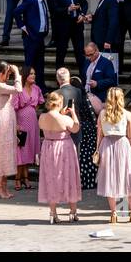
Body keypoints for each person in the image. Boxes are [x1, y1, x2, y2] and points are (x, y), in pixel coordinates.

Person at [95, 86, 131, 223]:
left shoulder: (102, 114)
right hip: (123, 145)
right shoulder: (127, 114)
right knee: (127, 179)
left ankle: (114, 213)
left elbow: (100, 135)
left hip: (106, 145)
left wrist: (97, 150)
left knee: (110, 180)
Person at [38, 90, 82, 223]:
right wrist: (73, 113)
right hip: (64, 148)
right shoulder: (65, 119)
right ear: (60, 103)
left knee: (50, 179)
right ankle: (72, 212)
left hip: (48, 147)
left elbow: (49, 123)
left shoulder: (42, 117)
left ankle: (53, 213)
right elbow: (75, 128)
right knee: (69, 177)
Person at [0, 60, 23, 200]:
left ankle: (3, 185)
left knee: (8, 153)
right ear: (0, 73)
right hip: (2, 123)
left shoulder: (2, 85)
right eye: (7, 73)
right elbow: (18, 89)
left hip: (8, 120)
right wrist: (17, 73)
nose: (8, 75)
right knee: (2, 153)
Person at [14, 0, 52, 94]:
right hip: (30, 36)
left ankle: (41, 88)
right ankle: (25, 89)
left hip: (40, 36)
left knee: (40, 64)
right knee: (29, 64)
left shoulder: (43, 0)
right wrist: (22, 26)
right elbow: (16, 11)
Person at [50, 0, 88, 71]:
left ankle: (84, 76)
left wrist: (82, 14)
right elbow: (54, 10)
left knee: (80, 52)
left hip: (77, 23)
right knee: (61, 53)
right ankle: (60, 77)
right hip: (63, 26)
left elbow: (84, 3)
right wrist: (67, 9)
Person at [13, 65, 43, 192]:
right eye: (31, 74)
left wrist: (31, 110)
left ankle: (26, 178)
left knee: (28, 151)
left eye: (34, 73)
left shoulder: (36, 88)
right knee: (20, 151)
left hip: (33, 124)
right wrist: (16, 124)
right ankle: (17, 179)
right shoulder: (18, 89)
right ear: (25, 76)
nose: (33, 76)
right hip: (21, 123)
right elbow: (13, 108)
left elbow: (40, 103)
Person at [88, 0, 121, 72]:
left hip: (106, 41)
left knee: (109, 67)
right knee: (102, 68)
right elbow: (103, 18)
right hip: (100, 40)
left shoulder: (110, 0)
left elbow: (113, 22)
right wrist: (92, 18)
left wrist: (108, 40)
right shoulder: (103, 0)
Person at [81, 41, 118, 106]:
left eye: (91, 55)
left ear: (97, 51)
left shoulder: (106, 63)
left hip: (100, 98)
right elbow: (84, 77)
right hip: (86, 96)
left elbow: (112, 80)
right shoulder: (86, 62)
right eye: (87, 55)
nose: (89, 57)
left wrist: (97, 83)